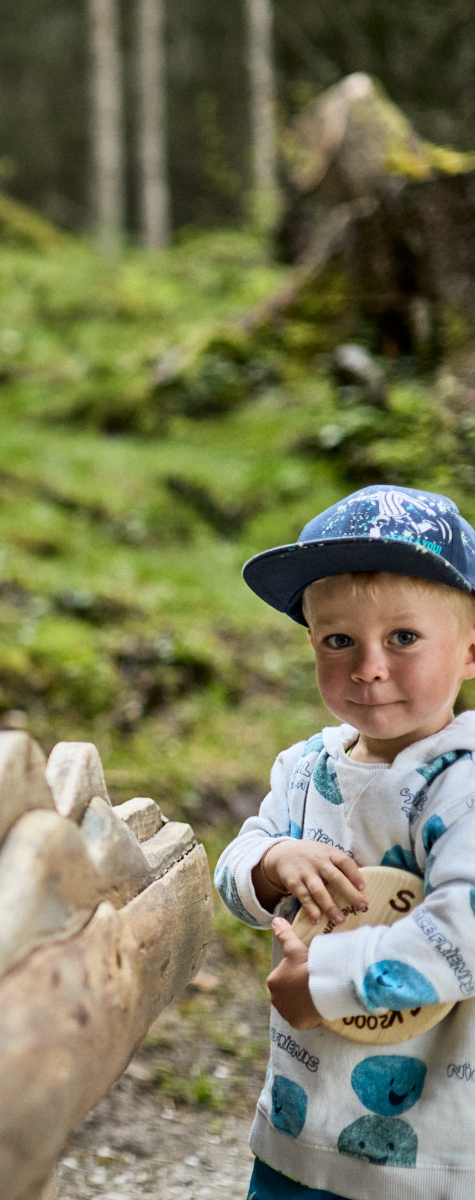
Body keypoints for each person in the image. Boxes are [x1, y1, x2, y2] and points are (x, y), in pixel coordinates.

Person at [215, 485, 475, 1200]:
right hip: (302, 1126)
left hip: (430, 1155)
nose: (368, 666)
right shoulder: (307, 769)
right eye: (340, 641)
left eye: (403, 638)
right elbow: (235, 863)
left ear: (471, 650)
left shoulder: (462, 784)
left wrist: (325, 985)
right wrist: (271, 862)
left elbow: (464, 931)